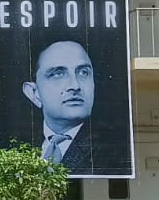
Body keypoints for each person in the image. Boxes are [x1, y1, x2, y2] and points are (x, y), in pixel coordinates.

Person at [18, 38, 129, 176]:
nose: (75, 86)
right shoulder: (17, 147)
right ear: (34, 93)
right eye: (58, 74)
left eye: (83, 72)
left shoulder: (115, 150)